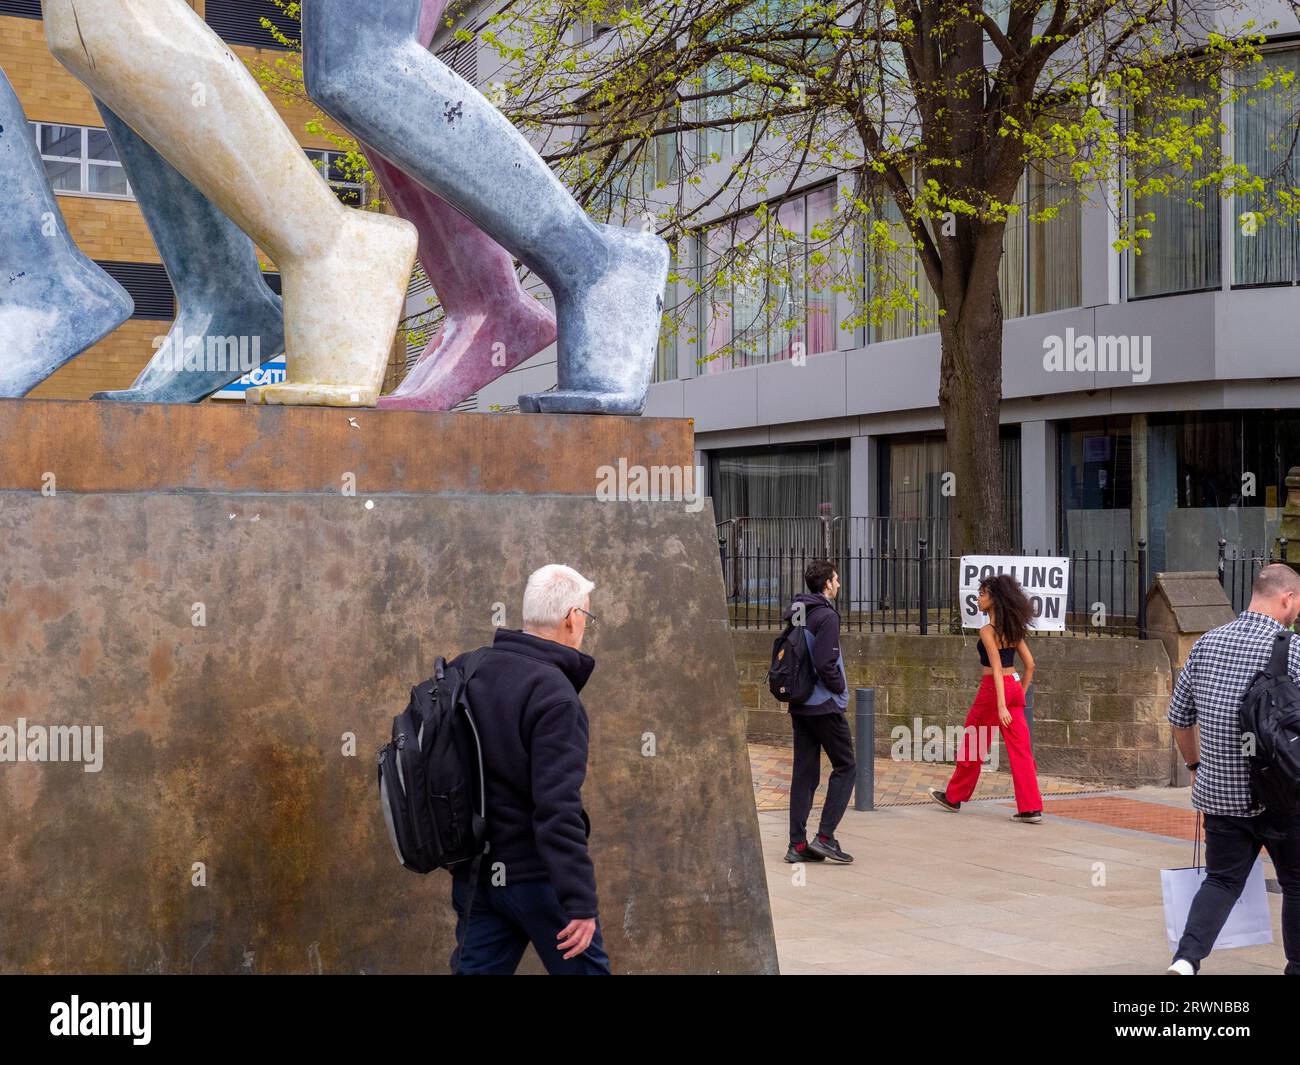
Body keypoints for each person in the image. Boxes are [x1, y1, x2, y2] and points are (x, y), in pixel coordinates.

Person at [447, 564, 610, 975]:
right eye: (587, 616)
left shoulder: (468, 668)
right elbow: (557, 809)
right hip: (538, 880)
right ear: (572, 618)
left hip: (478, 876)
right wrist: (579, 902)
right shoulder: (555, 696)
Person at [1166, 563, 1300, 976]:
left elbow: (1179, 717)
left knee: (1222, 881)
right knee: (1296, 884)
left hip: (1221, 795)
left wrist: (1195, 764)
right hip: (1283, 796)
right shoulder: (1293, 650)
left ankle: (1186, 961)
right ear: (1287, 599)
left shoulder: (1206, 644)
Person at [928, 574, 1044, 823]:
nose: (978, 598)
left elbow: (997, 668)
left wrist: (1002, 705)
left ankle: (954, 797)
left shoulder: (987, 631)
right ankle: (1030, 808)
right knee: (1021, 750)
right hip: (1013, 686)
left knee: (974, 742)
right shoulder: (1013, 627)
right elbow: (1031, 665)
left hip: (994, 689)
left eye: (982, 594)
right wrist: (1019, 694)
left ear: (995, 599)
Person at [783, 559, 856, 865]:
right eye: (836, 580)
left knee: (804, 773)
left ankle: (797, 845)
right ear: (826, 583)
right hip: (823, 705)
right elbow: (826, 662)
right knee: (846, 766)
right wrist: (839, 687)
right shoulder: (826, 615)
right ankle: (825, 837)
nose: (838, 584)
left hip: (799, 703)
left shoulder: (799, 611)